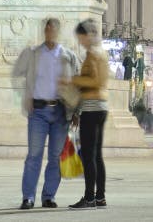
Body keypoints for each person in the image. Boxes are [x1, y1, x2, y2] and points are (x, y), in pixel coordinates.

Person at [13, 18, 80, 210]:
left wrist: (77, 111)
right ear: (44, 31)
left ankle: (48, 196)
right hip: (39, 111)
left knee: (56, 157)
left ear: (59, 32)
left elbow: (78, 84)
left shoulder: (68, 56)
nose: (50, 32)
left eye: (54, 29)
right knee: (34, 155)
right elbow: (16, 74)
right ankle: (28, 197)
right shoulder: (33, 54)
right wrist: (25, 96)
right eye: (48, 29)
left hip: (61, 112)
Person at [67, 20, 110, 209]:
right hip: (100, 107)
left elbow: (95, 81)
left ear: (86, 36)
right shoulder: (100, 52)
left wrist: (73, 79)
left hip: (92, 109)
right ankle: (99, 197)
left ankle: (89, 197)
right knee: (96, 155)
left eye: (80, 37)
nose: (80, 41)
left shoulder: (93, 54)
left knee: (88, 155)